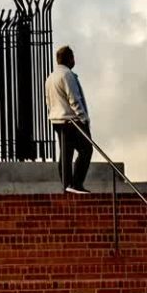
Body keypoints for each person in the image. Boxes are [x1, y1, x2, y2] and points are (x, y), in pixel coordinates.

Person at [45, 45, 93, 194]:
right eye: (73, 57)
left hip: (56, 119)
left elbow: (48, 100)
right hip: (71, 120)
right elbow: (75, 99)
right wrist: (83, 118)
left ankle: (67, 184)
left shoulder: (50, 77)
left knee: (66, 153)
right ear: (70, 58)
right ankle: (75, 183)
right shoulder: (67, 75)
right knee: (86, 149)